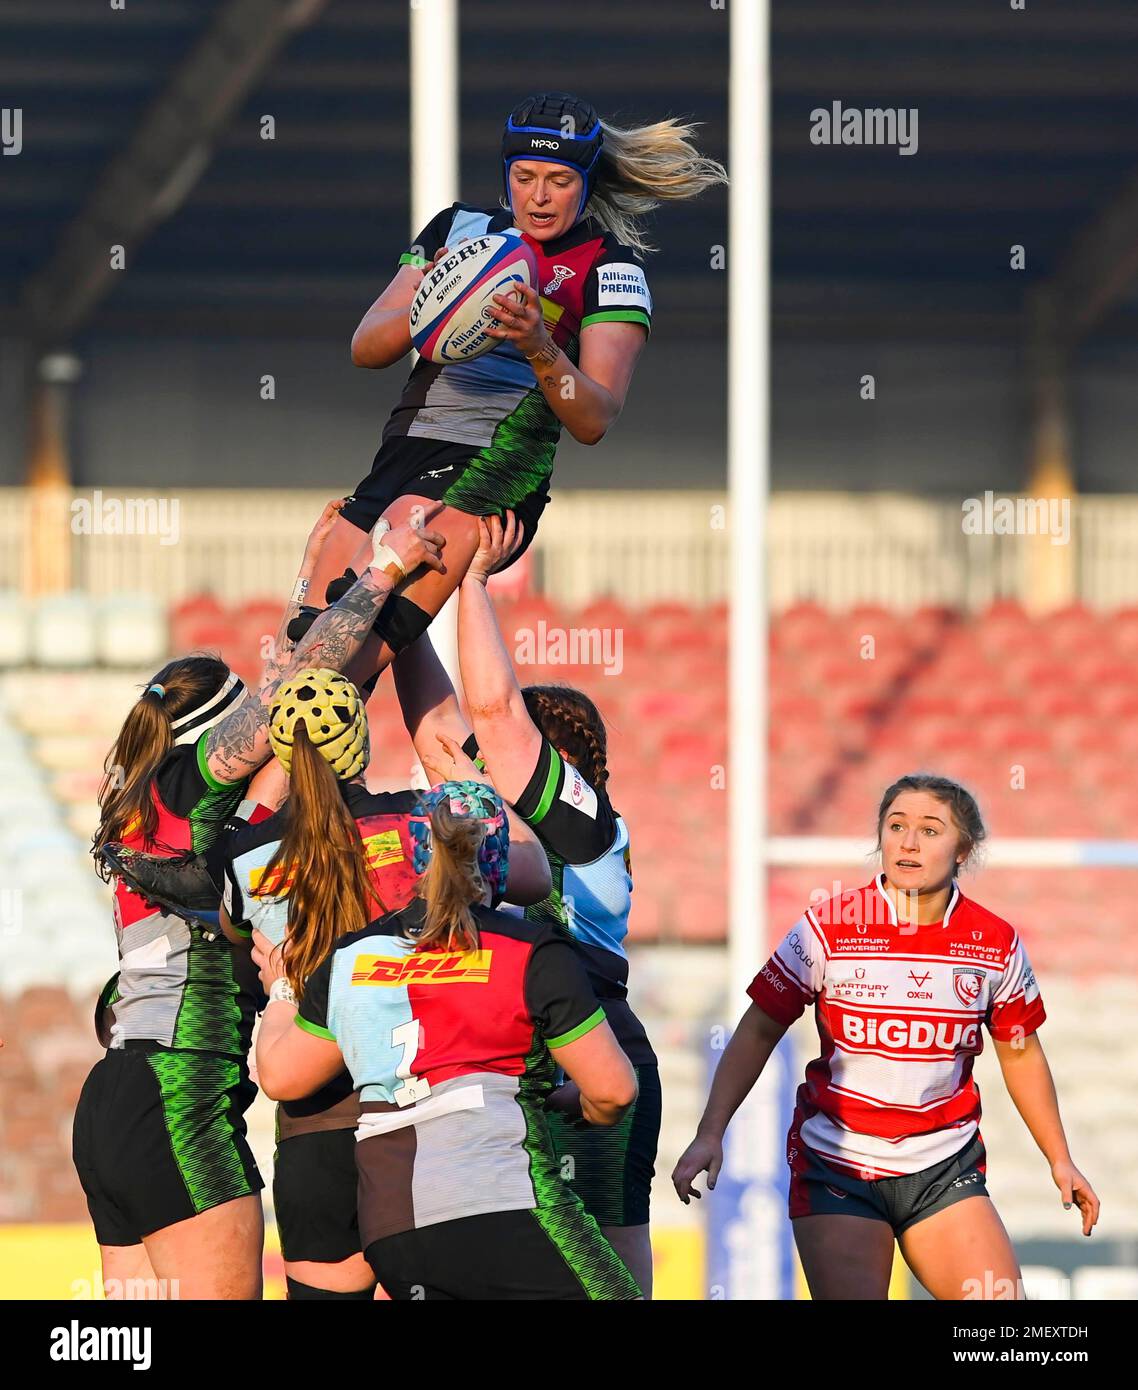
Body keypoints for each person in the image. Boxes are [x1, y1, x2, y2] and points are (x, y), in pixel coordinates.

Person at [73, 506, 446, 1300]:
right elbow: (299, 705)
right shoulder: (192, 777)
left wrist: (313, 575)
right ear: (215, 728)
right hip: (179, 1094)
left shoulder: (145, 799)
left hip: (111, 1099)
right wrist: (384, 570)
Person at [290, 90, 727, 692]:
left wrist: (538, 343)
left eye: (557, 180)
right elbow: (366, 347)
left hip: (491, 470)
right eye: (524, 177)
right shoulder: (458, 229)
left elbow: (595, 418)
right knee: (300, 658)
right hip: (403, 452)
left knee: (336, 672)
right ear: (506, 175)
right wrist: (439, 306)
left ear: (586, 182)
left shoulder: (611, 267)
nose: (539, 196)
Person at [672, 774, 1101, 1301]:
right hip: (838, 1166)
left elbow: (1020, 1052)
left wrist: (1060, 1157)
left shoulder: (995, 943)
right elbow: (760, 1028)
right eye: (896, 826)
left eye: (930, 829)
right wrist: (711, 1131)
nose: (909, 842)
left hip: (945, 1169)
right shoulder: (828, 927)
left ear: (964, 848)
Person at [255, 781, 642, 1301]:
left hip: (393, 1230)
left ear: (417, 855)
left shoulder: (350, 957)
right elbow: (614, 1091)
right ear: (497, 857)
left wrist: (281, 987)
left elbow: (282, 1076)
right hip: (500, 1200)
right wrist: (582, 1107)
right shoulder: (528, 950)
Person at [453, 513, 660, 1296]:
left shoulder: (584, 827)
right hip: (529, 1065)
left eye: (523, 756)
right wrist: (402, 609)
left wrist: (472, 582)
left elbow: (495, 716)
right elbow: (450, 736)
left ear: (563, 763)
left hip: (599, 1053)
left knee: (608, 1275)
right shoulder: (521, 827)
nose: (492, 766)